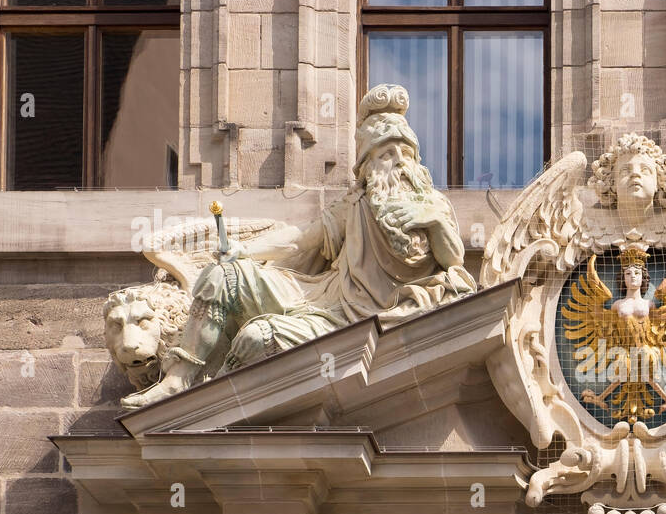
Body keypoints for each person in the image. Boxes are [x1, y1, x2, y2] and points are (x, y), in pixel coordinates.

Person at [122, 84, 475, 408]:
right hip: (331, 307)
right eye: (386, 154)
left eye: (405, 153)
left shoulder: (433, 204)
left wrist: (431, 218)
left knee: (257, 337)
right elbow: (297, 241)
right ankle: (178, 380)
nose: (398, 161)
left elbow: (452, 260)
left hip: (366, 328)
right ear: (367, 167)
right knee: (223, 275)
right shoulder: (353, 206)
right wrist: (246, 251)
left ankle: (214, 405)